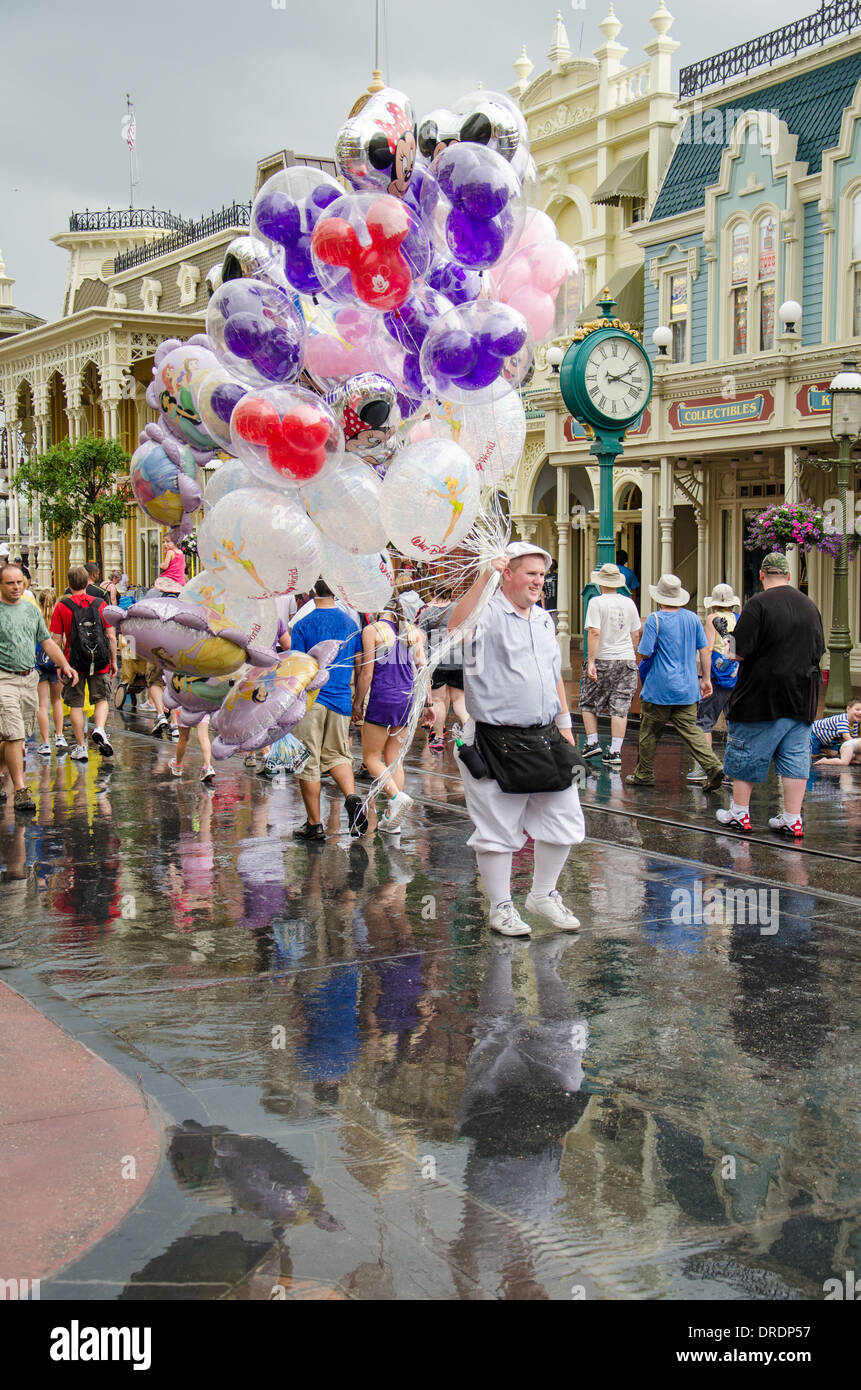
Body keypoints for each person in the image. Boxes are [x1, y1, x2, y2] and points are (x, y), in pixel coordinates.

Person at [447, 541, 584, 937]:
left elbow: (554, 672)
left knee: (565, 818)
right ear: (507, 574)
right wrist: (482, 576)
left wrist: (564, 720)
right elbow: (456, 629)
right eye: (530, 574)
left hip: (545, 736)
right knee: (498, 828)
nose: (539, 582)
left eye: (543, 575)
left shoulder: (543, 619)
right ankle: (501, 907)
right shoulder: (487, 613)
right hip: (493, 737)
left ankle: (542, 894)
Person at [716, 553, 825, 839]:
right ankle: (792, 817)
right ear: (789, 575)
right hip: (802, 695)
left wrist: (729, 644)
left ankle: (740, 812)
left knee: (746, 752)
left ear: (762, 576)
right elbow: (818, 650)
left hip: (760, 695)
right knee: (795, 759)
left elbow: (738, 651)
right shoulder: (810, 606)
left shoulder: (757, 604)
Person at [626, 573, 724, 792]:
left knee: (649, 732)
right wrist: (706, 679)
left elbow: (645, 652)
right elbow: (705, 650)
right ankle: (713, 766)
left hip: (659, 688)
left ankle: (644, 774)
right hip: (688, 687)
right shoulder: (692, 619)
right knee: (691, 731)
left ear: (660, 597)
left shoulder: (655, 619)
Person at [290, 579, 367, 842]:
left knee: (308, 760)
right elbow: (359, 665)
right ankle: (352, 797)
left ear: (313, 592)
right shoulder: (350, 625)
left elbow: (297, 669)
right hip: (341, 698)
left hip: (311, 700)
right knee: (339, 755)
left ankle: (314, 824)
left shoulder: (303, 625)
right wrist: (358, 702)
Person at [0, 563, 76, 813]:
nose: (16, 587)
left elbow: (46, 641)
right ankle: (20, 790)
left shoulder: (30, 611)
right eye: (10, 583)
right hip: (4, 679)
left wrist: (64, 664)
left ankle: (2, 773)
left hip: (28, 677)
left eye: (20, 582)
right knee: (15, 735)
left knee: (16, 735)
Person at [353, 597, 427, 832]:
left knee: (371, 757)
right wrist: (428, 701)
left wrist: (357, 703)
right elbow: (423, 667)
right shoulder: (414, 632)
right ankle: (392, 819)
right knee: (395, 759)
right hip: (406, 699)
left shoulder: (372, 630)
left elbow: (366, 673)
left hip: (382, 698)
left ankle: (396, 798)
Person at [49, 565, 118, 762]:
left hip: (73, 663)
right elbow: (110, 636)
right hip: (100, 661)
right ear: (88, 582)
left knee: (76, 705)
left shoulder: (62, 607)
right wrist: (113, 661)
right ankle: (100, 728)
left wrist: (59, 664)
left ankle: (81, 747)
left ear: (69, 584)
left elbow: (56, 640)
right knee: (102, 699)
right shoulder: (100, 604)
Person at [579, 562, 641, 771]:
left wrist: (592, 661)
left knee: (588, 701)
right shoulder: (630, 603)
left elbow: (594, 633)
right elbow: (635, 634)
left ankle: (592, 742)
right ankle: (615, 751)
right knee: (620, 706)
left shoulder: (596, 602)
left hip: (604, 657)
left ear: (600, 583)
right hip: (626, 659)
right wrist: (630, 654)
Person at [687, 582, 741, 783]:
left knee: (705, 722)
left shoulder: (712, 618)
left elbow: (708, 649)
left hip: (718, 676)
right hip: (735, 675)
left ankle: (705, 766)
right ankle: (732, 769)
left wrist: (705, 677)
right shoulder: (738, 618)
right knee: (733, 722)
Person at [418, 589, 467, 753]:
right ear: (451, 593)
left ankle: (438, 737)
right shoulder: (460, 608)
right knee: (459, 699)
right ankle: (471, 734)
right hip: (460, 659)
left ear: (433, 594)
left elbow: (421, 639)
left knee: (438, 700)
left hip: (437, 661)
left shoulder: (428, 613)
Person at [35, 589, 68, 755]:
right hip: (55, 664)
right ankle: (60, 735)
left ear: (39, 602)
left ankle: (46, 742)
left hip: (39, 665)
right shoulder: (58, 616)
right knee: (57, 701)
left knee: (42, 704)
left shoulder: (35, 617)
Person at [169, 719, 216, 783]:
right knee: (204, 737)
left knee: (183, 737)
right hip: (202, 710)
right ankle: (208, 767)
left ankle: (178, 766)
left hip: (185, 711)